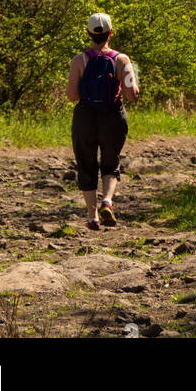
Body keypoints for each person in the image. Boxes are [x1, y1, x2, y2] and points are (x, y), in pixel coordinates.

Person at [67, 12, 138, 231]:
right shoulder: (122, 60)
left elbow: (72, 96)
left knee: (86, 165)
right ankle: (107, 200)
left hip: (85, 117)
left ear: (88, 33)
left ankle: (92, 217)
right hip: (112, 117)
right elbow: (131, 94)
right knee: (110, 161)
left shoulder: (79, 60)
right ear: (111, 33)